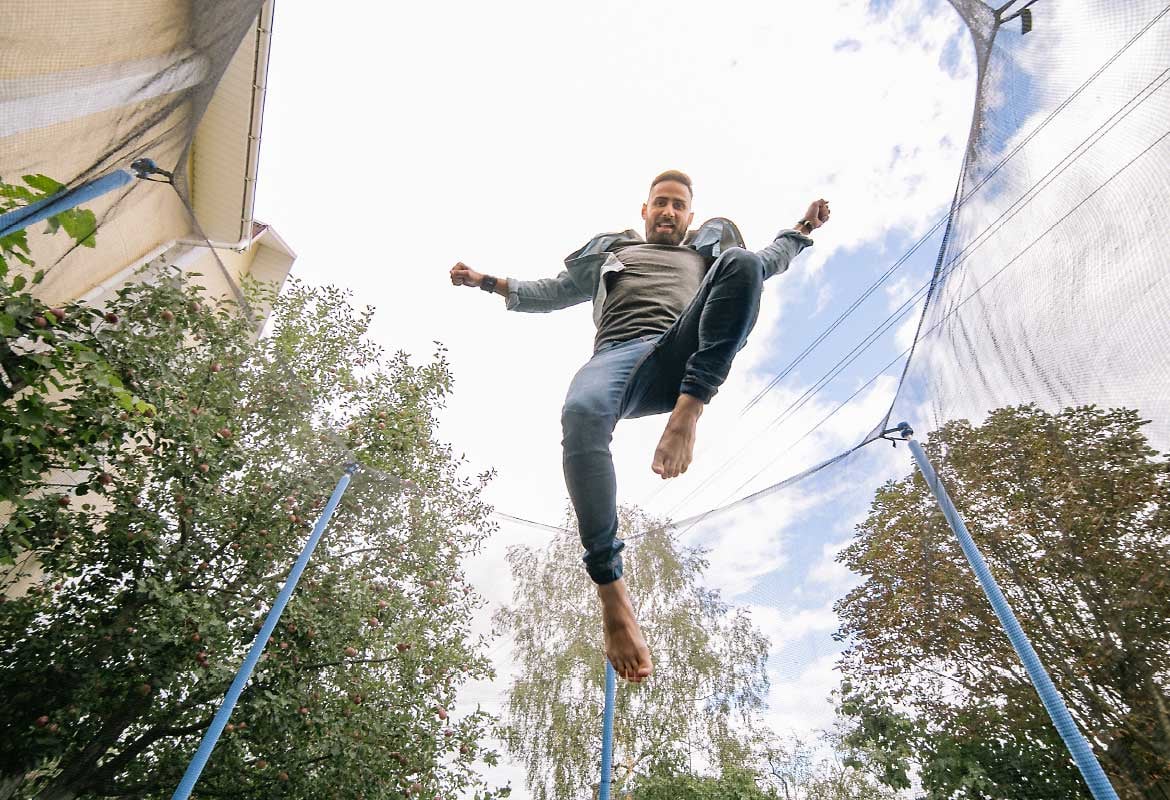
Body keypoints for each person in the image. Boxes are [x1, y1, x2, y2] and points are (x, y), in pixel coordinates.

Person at [450, 170, 829, 682]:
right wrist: (485, 281)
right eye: (661, 204)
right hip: (619, 359)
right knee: (581, 414)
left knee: (742, 263)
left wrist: (802, 228)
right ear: (645, 211)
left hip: (685, 350)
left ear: (690, 217)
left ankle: (688, 411)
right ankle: (611, 589)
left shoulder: (705, 254)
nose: (669, 212)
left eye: (679, 206)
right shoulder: (615, 256)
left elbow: (768, 261)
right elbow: (553, 290)